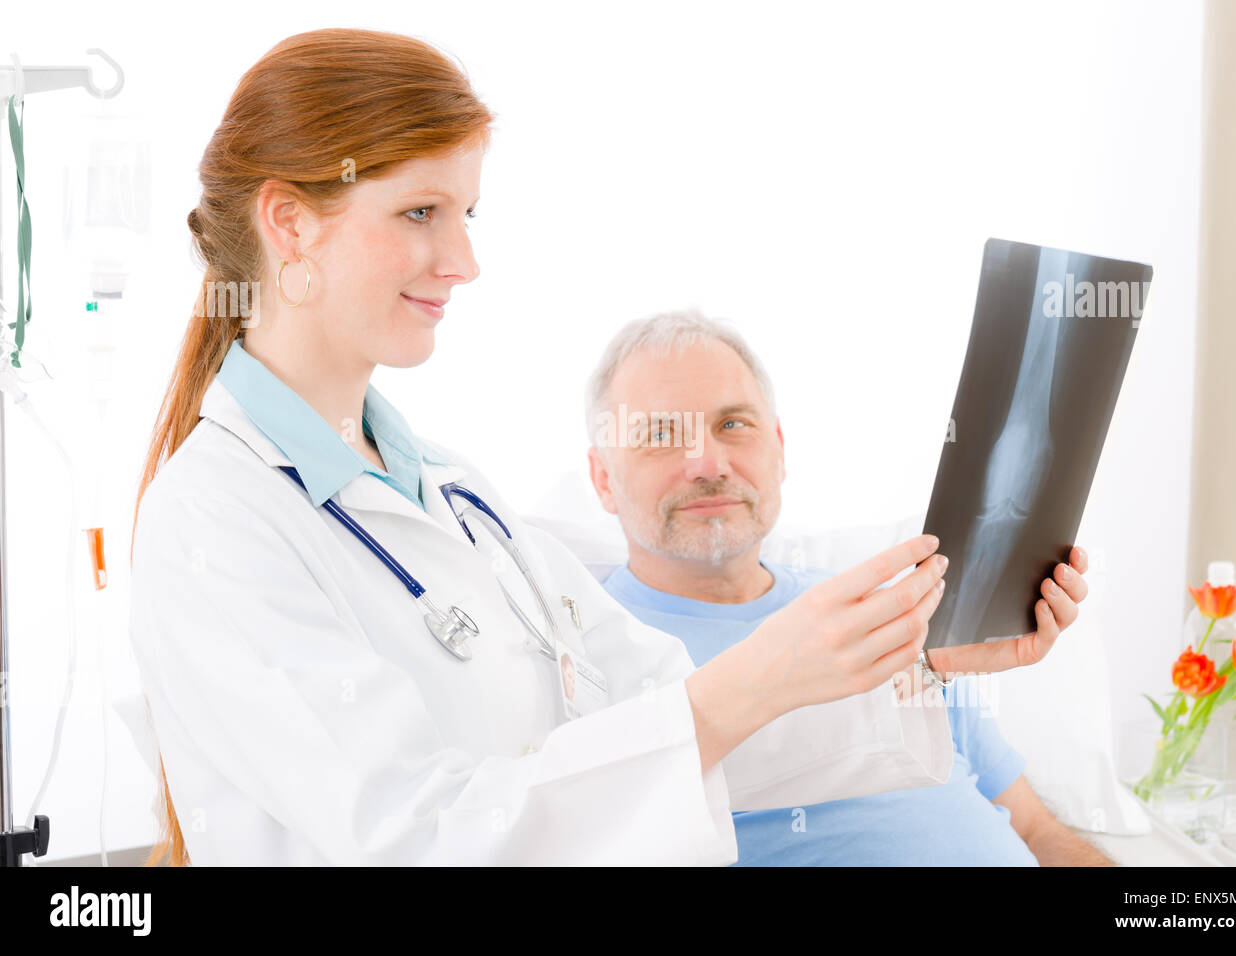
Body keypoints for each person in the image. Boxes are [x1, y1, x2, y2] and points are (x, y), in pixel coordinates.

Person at [128, 28, 1056, 867]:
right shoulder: (214, 523)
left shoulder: (455, 493)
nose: (464, 261)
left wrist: (917, 660)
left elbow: (662, 726)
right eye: (421, 213)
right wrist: (734, 696)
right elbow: (418, 836)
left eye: (468, 215)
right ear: (290, 221)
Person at [585, 309, 1111, 865]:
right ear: (603, 480)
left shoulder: (887, 613)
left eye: (733, 424)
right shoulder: (590, 654)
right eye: (662, 434)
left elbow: (1032, 825)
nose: (708, 463)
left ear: (779, 449)